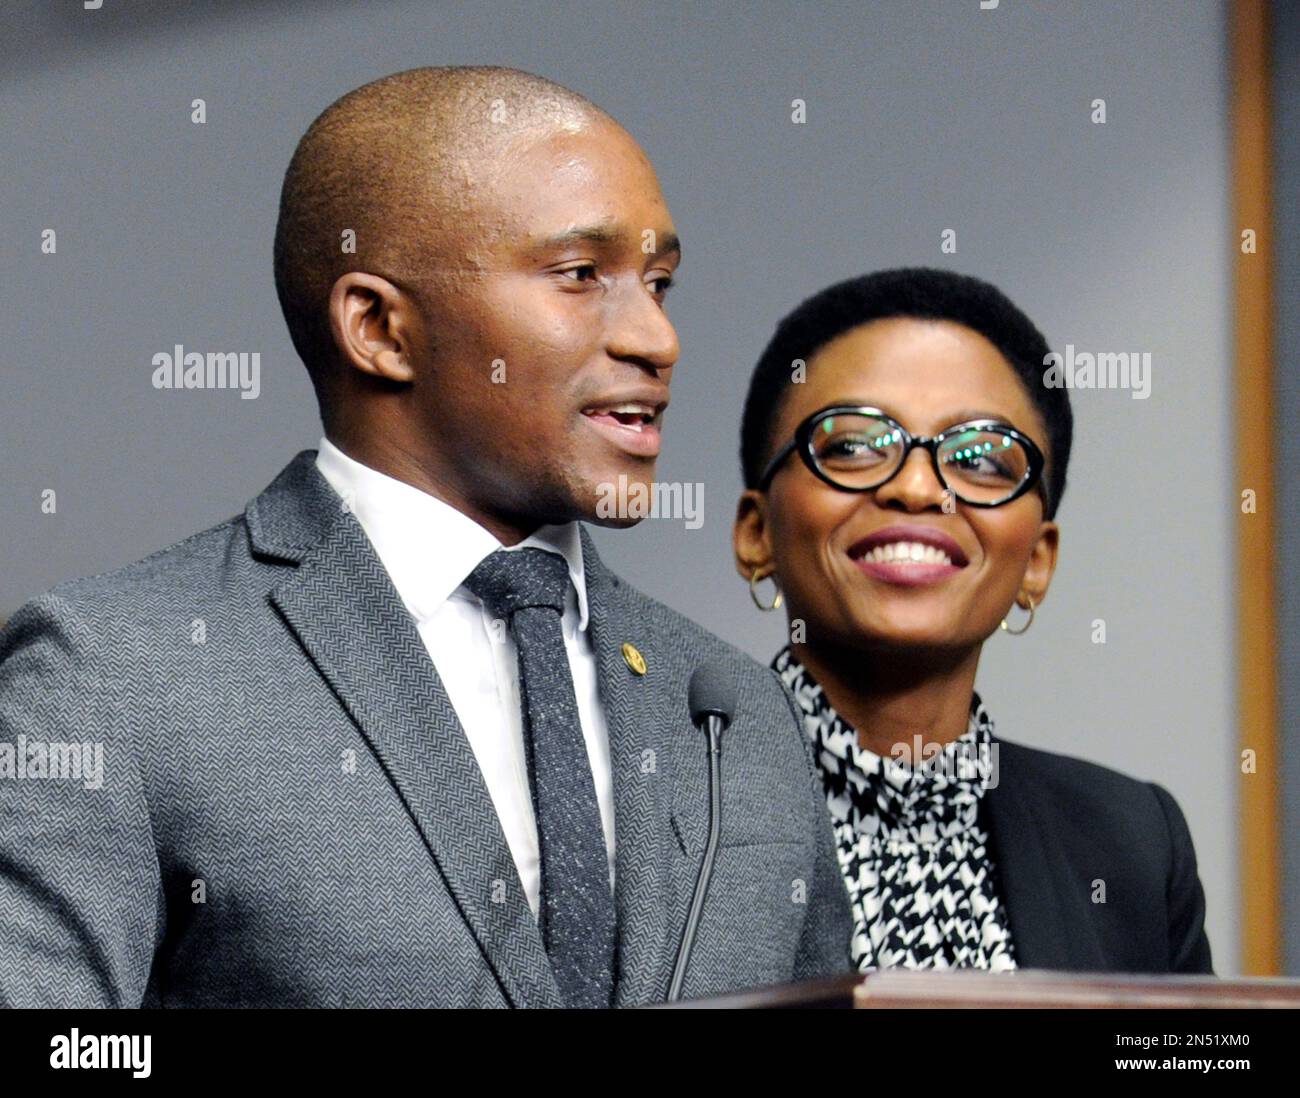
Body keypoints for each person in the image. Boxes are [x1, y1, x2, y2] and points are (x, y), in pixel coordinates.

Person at [0, 66, 851, 1008]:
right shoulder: (111, 676)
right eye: (581, 276)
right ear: (379, 329)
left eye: (660, 283)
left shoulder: (732, 709)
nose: (657, 337)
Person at [733, 267, 1212, 973]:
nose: (918, 488)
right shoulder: (648, 807)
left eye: (982, 458)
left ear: (1038, 561)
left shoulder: (1132, 841)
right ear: (757, 533)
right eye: (855, 445)